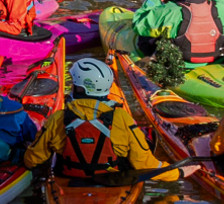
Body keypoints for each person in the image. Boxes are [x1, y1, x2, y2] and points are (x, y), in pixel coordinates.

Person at [26, 56, 169, 184]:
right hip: (112, 180)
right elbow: (145, 165)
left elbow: (32, 160)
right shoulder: (122, 118)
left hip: (69, 181)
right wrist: (178, 172)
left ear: (80, 89)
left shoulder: (57, 118)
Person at [129, 0, 224, 67]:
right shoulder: (221, 5)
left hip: (180, 63)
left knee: (147, 39)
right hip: (215, 59)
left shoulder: (170, 11)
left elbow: (139, 24)